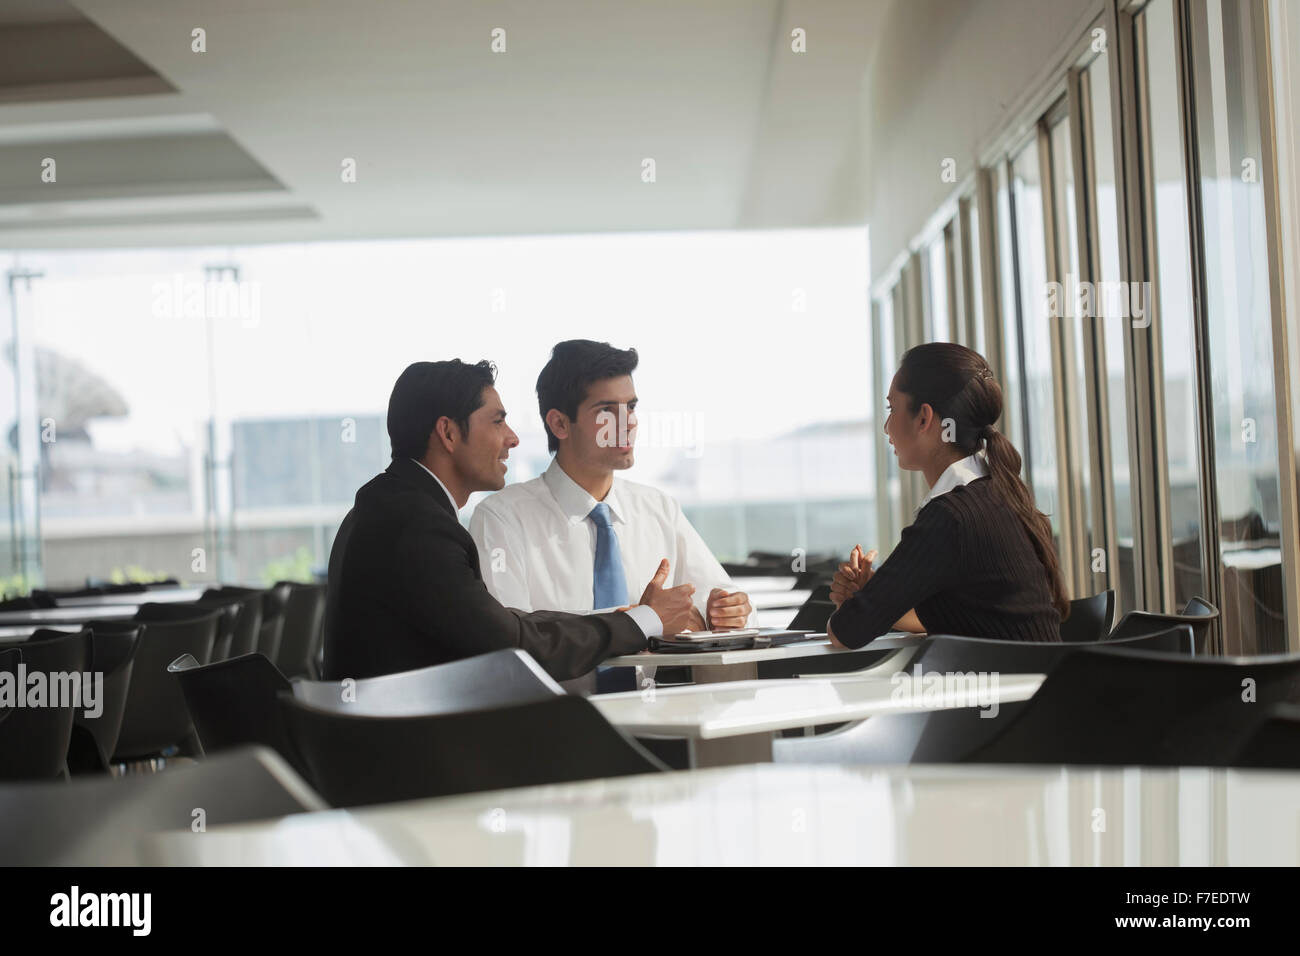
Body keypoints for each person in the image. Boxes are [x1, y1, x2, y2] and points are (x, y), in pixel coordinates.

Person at [321, 359, 697, 682]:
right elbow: (513, 649)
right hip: (417, 753)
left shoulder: (394, 507)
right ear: (448, 433)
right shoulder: (417, 527)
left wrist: (622, 617)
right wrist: (643, 622)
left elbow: (503, 623)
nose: (513, 439)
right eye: (498, 421)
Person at [469, 340, 752, 691]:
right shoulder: (502, 518)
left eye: (630, 408)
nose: (627, 423)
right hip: (557, 724)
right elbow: (509, 641)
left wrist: (727, 612)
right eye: (607, 411)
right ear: (559, 423)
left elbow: (723, 601)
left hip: (657, 716)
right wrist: (641, 619)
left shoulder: (658, 508)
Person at [827, 343, 1067, 648]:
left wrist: (853, 607)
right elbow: (961, 615)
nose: (887, 427)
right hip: (1038, 687)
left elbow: (845, 633)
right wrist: (876, 597)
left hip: (1012, 693)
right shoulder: (996, 492)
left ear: (924, 418)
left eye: (892, 408)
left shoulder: (950, 517)